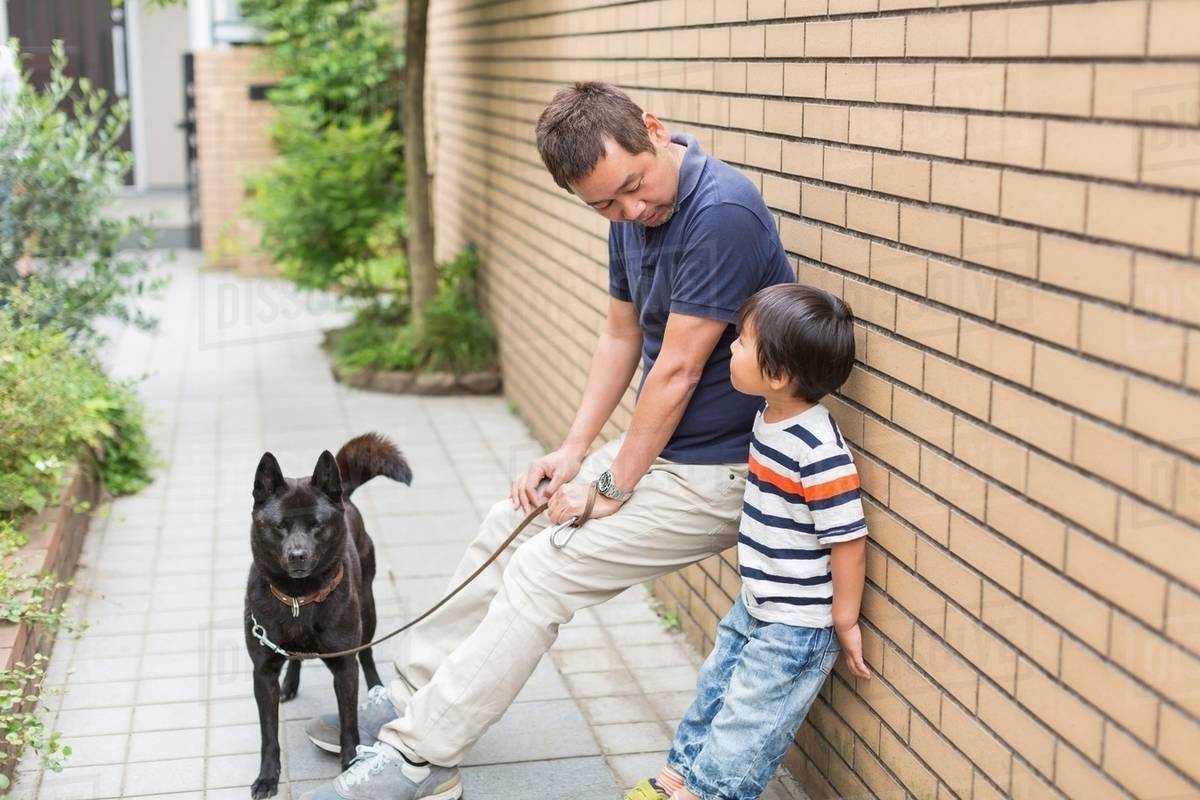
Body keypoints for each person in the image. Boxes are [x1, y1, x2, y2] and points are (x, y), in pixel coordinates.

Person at [301, 81, 795, 800]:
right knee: (512, 519)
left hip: (722, 471)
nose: (631, 212)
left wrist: (607, 486)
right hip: (661, 454)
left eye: (633, 188)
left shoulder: (720, 213)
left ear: (653, 130)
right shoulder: (626, 213)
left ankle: (418, 758)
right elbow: (620, 335)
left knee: (544, 572)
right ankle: (414, 694)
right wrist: (571, 452)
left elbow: (679, 371)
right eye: (605, 205)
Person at [627, 283, 871, 800]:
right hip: (758, 602)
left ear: (779, 375)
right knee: (715, 691)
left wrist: (844, 619)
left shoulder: (820, 451)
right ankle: (677, 780)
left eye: (742, 343)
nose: (731, 348)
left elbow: (848, 540)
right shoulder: (768, 414)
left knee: (746, 726)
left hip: (796, 625)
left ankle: (708, 793)